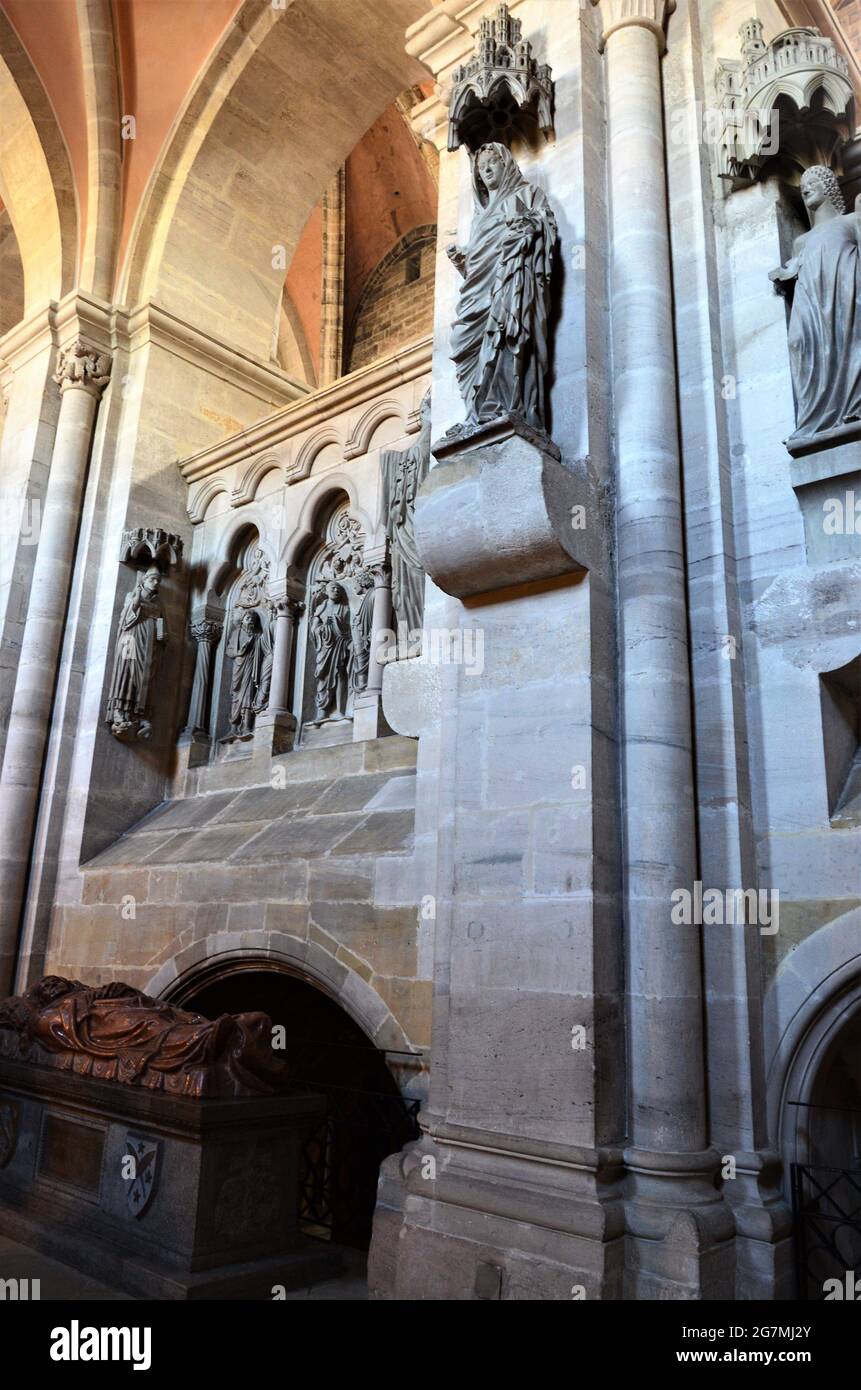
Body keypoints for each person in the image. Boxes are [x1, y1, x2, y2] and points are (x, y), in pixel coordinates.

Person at [447, 141, 557, 436]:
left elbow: (544, 225)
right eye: (481, 168)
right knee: (463, 340)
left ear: (505, 164)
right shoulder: (480, 216)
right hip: (479, 293)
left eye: (492, 163)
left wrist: (526, 226)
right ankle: (475, 411)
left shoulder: (526, 194)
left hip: (513, 285)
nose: (486, 170)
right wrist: (464, 262)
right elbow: (480, 263)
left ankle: (508, 407)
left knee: (508, 336)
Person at [770, 165, 861, 443]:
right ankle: (814, 418)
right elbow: (798, 266)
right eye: (802, 186)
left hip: (845, 285)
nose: (805, 188)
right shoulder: (801, 241)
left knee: (853, 339)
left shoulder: (851, 220)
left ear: (829, 187)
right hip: (811, 297)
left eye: (812, 182)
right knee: (797, 341)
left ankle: (853, 407)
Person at [106, 566, 165, 739]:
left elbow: (163, 624)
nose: (156, 583)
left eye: (158, 580)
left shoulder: (159, 603)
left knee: (144, 678)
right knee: (125, 673)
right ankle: (119, 711)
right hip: (131, 639)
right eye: (152, 579)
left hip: (149, 645)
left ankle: (139, 714)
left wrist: (162, 634)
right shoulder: (133, 596)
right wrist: (136, 602)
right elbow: (125, 619)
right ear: (143, 580)